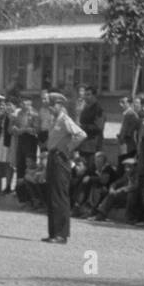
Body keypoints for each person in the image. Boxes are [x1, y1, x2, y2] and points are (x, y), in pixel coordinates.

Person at [42, 93, 86, 244]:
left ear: (60, 105)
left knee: (60, 196)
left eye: (53, 105)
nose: (51, 108)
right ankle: (53, 232)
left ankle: (61, 234)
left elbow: (81, 134)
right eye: (50, 105)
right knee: (52, 196)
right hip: (52, 158)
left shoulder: (65, 119)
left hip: (61, 159)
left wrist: (68, 148)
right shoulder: (54, 120)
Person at [78, 85, 105, 165]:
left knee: (91, 170)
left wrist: (82, 127)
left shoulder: (98, 109)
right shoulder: (86, 108)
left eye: (88, 94)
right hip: (84, 145)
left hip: (93, 146)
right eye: (85, 94)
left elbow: (99, 127)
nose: (85, 97)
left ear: (94, 96)